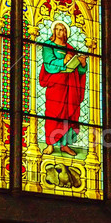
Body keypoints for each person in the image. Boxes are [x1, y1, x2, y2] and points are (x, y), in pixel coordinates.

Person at [39, 22, 87, 156]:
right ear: (54, 31)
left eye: (63, 30)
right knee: (53, 113)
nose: (60, 32)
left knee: (69, 115)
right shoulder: (49, 46)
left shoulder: (71, 49)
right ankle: (50, 144)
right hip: (56, 86)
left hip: (70, 87)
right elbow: (49, 64)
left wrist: (82, 64)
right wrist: (63, 61)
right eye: (58, 29)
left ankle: (65, 145)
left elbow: (80, 72)